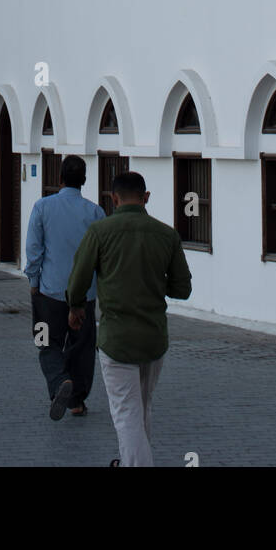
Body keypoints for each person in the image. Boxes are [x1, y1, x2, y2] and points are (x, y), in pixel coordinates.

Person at [67, 170, 193, 468]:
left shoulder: (100, 232)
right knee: (142, 408)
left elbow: (78, 281)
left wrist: (75, 308)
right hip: (153, 338)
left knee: (126, 413)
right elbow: (182, 289)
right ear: (146, 197)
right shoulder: (167, 235)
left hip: (116, 339)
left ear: (113, 198)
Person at [24, 154, 105, 420]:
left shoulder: (42, 207)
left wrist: (33, 281)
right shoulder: (95, 212)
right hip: (84, 296)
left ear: (59, 178)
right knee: (81, 348)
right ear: (84, 180)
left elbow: (34, 249)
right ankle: (77, 401)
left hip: (49, 293)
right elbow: (101, 256)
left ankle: (59, 381)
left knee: (46, 342)